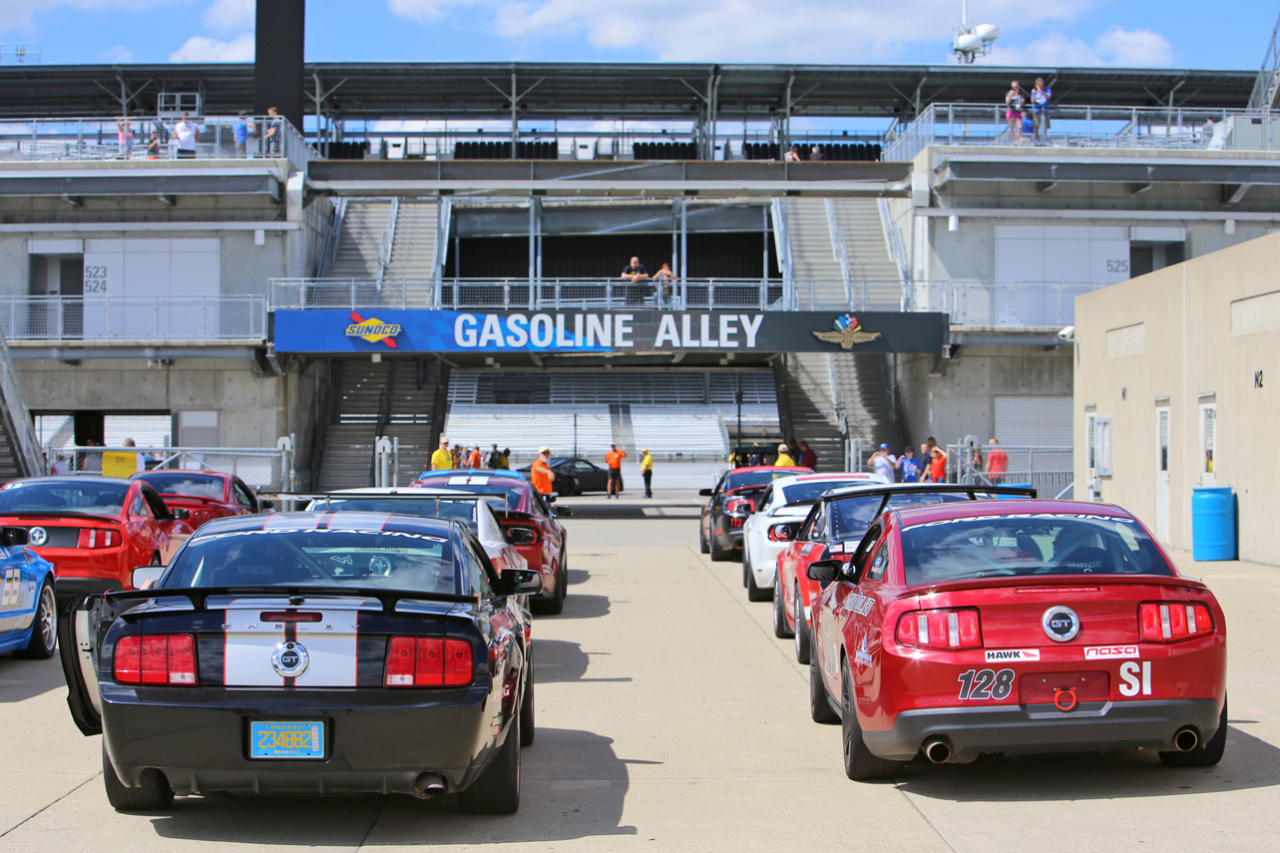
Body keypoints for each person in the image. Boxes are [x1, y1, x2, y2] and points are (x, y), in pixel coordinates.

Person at [1030, 78, 1052, 144]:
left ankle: (1044, 140)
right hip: (1037, 111)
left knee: (1045, 127)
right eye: (1038, 85)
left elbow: (1048, 97)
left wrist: (1041, 91)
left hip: (1045, 111)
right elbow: (1032, 101)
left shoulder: (1047, 90)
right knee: (1036, 126)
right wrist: (1036, 93)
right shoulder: (1034, 92)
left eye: (1041, 84)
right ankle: (1037, 141)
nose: (1040, 86)